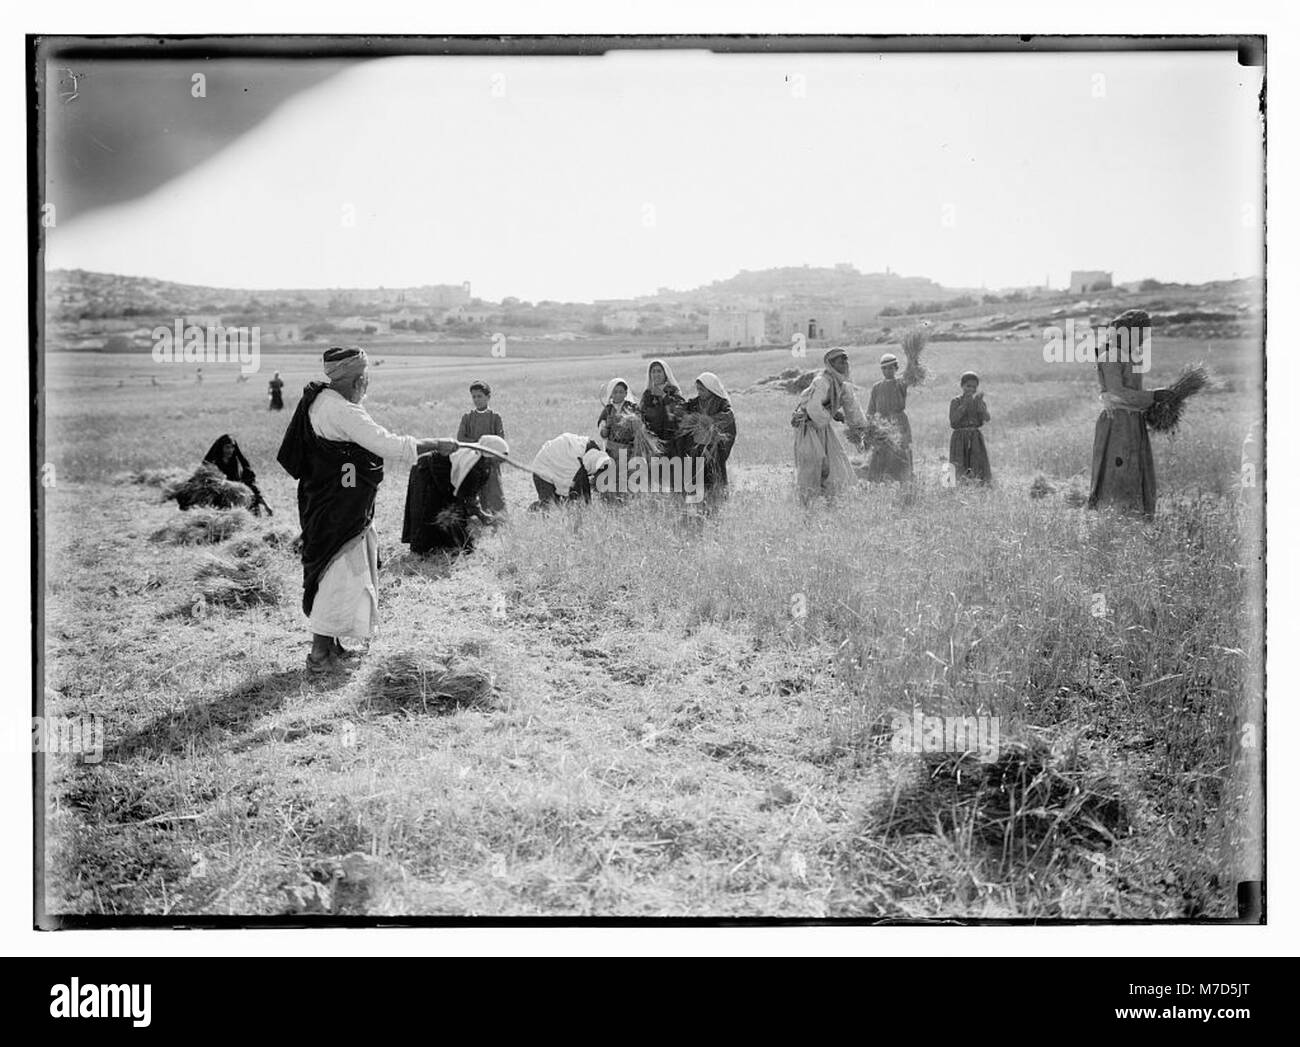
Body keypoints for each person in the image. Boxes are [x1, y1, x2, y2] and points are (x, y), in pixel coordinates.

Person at [276, 346, 454, 673]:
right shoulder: (343, 411)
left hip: (334, 503)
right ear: (359, 379)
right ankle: (319, 656)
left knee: (342, 575)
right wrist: (436, 444)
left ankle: (334, 646)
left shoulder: (326, 401)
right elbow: (389, 445)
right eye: (366, 378)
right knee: (335, 577)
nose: (367, 384)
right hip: (336, 510)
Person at [1087, 309, 1171, 518]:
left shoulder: (1129, 357)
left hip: (1133, 422)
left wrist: (1156, 400)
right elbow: (1118, 392)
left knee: (1136, 470)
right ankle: (1116, 521)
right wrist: (1153, 397)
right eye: (1142, 336)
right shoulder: (1110, 356)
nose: (1144, 341)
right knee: (1119, 472)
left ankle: (1136, 520)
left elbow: (1133, 392)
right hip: (1117, 425)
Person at [401, 435, 508, 555]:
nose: (500, 463)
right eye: (499, 459)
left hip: (443, 474)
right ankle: (422, 550)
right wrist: (480, 515)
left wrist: (480, 513)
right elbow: (463, 497)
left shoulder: (484, 465)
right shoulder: (472, 465)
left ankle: (446, 545)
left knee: (447, 508)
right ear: (490, 455)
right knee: (429, 506)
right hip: (426, 468)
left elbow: (471, 494)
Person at [793, 347, 869, 504]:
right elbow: (813, 408)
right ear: (831, 364)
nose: (845, 363)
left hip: (823, 428)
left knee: (835, 464)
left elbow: (853, 408)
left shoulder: (843, 386)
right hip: (809, 427)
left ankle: (831, 502)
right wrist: (831, 414)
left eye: (846, 360)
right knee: (813, 463)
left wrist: (861, 430)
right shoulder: (822, 382)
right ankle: (808, 504)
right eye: (841, 361)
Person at [678, 372, 737, 508]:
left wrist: (710, 421)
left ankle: (716, 507)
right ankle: (695, 509)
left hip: (714, 450)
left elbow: (728, 417)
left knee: (714, 478)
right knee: (695, 478)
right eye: (698, 389)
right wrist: (691, 418)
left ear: (711, 389)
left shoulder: (722, 403)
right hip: (696, 449)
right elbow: (680, 411)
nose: (700, 392)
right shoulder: (694, 403)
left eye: (703, 389)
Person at [455, 380, 507, 514]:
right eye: (474, 397)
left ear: (488, 397)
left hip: (490, 461)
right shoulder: (467, 417)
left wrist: (487, 446)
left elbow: (500, 439)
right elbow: (461, 438)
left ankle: (499, 521)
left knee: (494, 491)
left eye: (480, 396)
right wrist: (480, 444)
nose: (476, 400)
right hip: (471, 461)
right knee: (473, 492)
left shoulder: (495, 417)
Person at [864, 352, 915, 482]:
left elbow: (911, 375)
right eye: (884, 368)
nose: (887, 371)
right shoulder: (877, 387)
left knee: (900, 450)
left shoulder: (901, 383)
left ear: (896, 369)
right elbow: (871, 409)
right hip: (882, 424)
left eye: (891, 368)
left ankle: (903, 479)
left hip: (899, 423)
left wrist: (912, 359)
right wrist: (868, 426)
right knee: (881, 451)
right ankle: (880, 481)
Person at [528, 433, 612, 508]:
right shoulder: (579, 470)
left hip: (549, 462)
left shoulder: (591, 448)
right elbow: (582, 502)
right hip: (542, 471)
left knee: (560, 506)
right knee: (550, 507)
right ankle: (534, 511)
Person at [202, 433, 273, 516]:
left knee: (249, 498)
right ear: (221, 448)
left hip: (238, 497)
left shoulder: (239, 464)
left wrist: (265, 504)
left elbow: (251, 483)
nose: (230, 450)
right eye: (227, 447)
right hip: (220, 499)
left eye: (232, 447)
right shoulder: (214, 464)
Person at [948, 371, 992, 484]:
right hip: (959, 437)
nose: (971, 389)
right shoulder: (956, 401)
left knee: (976, 461)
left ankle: (978, 485)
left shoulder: (978, 401)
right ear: (962, 386)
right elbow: (953, 421)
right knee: (959, 462)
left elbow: (987, 418)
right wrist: (964, 405)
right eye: (968, 386)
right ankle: (957, 486)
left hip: (975, 437)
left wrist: (981, 407)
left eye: (974, 387)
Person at [639, 359, 686, 445]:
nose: (656, 374)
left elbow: (679, 413)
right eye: (653, 372)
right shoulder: (648, 394)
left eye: (659, 371)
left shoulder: (673, 391)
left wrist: (664, 396)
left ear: (665, 374)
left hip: (673, 441)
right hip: (653, 442)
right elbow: (642, 416)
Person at [597, 378, 639, 462]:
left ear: (626, 393)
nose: (618, 395)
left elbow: (639, 430)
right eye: (615, 392)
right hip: (612, 452)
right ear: (611, 393)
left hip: (629, 451)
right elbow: (603, 435)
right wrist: (607, 426)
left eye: (621, 392)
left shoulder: (632, 408)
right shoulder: (607, 410)